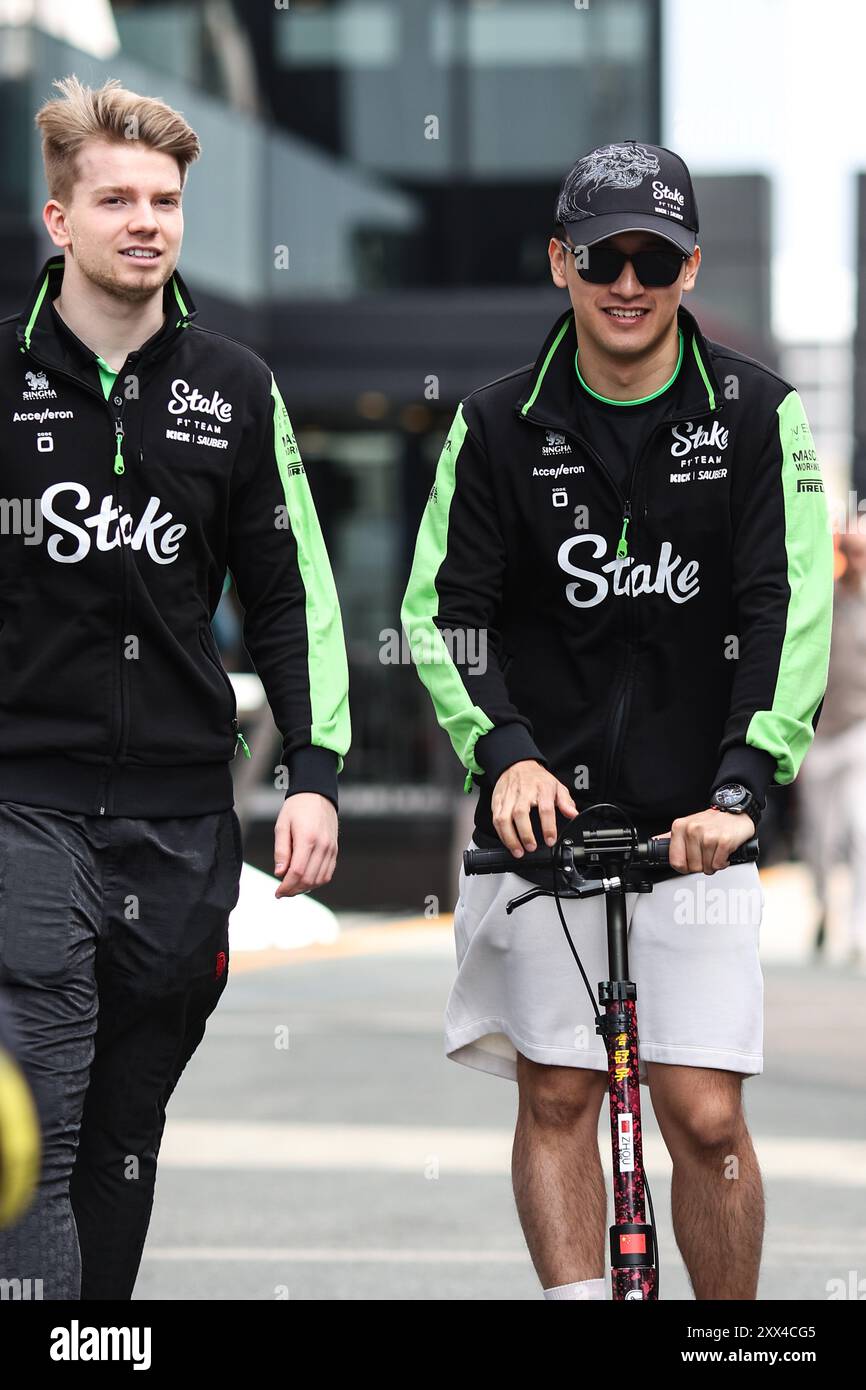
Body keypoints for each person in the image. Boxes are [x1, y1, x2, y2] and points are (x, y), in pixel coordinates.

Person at [401, 141, 833, 1300]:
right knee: (557, 1093)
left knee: (703, 1113)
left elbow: (782, 607)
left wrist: (743, 784)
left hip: (696, 819)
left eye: (654, 256)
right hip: (541, 824)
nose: (626, 281)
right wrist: (504, 759)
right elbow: (444, 614)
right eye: (602, 255)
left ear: (687, 267)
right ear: (560, 260)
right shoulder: (492, 425)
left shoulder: (758, 415)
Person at [0, 76, 349, 1299]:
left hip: (185, 822)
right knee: (31, 1127)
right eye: (115, 200)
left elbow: (292, 589)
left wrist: (314, 771)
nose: (144, 220)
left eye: (164, 199)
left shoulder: (237, 388)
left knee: (121, 1131)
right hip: (25, 807)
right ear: (60, 222)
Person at [797, 530, 866, 965]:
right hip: (818, 737)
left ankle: (860, 928)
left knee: (861, 830)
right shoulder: (824, 599)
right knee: (820, 841)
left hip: (860, 732)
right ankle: (824, 904)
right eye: (851, 553)